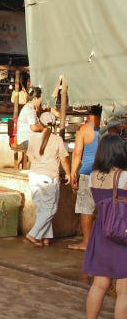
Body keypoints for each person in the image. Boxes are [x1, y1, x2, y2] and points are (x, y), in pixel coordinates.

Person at [81, 134, 127, 319]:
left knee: (99, 284)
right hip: (122, 233)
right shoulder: (124, 176)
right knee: (124, 290)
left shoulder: (93, 176)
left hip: (102, 232)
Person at [24, 112, 71, 247]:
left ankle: (45, 237)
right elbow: (64, 159)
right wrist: (69, 174)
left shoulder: (33, 138)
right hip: (48, 177)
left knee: (42, 208)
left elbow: (30, 158)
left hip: (34, 176)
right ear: (54, 125)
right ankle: (33, 234)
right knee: (50, 209)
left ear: (40, 123)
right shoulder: (57, 139)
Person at [68, 104, 102, 251]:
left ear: (89, 113)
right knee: (104, 208)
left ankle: (87, 242)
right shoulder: (109, 129)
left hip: (88, 173)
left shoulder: (84, 130)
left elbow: (77, 153)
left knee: (86, 208)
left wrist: (72, 173)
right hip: (105, 174)